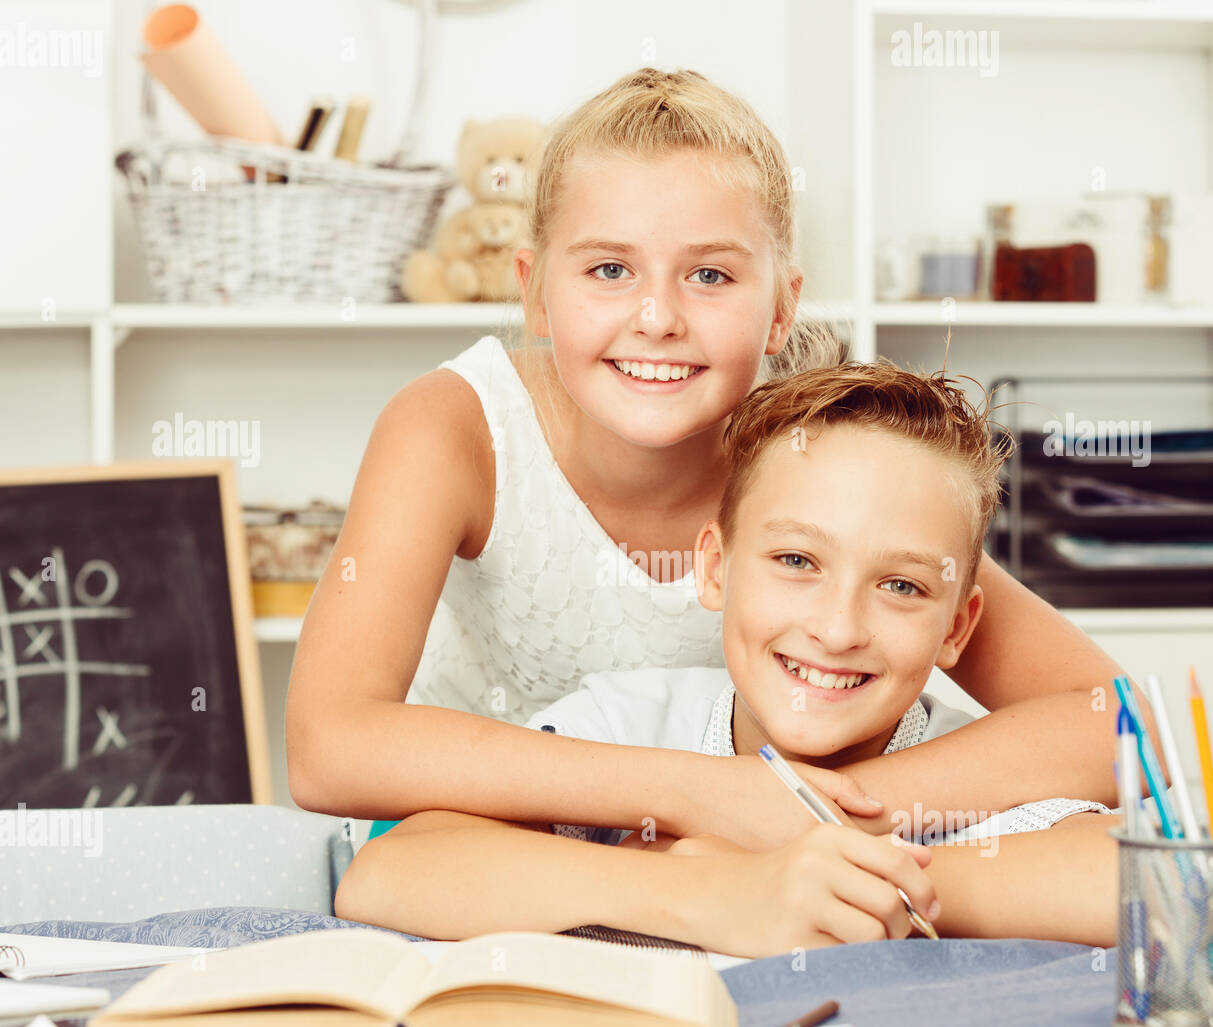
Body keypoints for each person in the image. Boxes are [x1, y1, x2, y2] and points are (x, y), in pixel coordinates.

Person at [288, 66, 1159, 863]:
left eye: (709, 275)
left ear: (782, 310)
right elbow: (328, 749)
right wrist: (701, 796)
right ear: (534, 291)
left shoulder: (809, 459)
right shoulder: (453, 427)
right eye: (608, 268)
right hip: (476, 867)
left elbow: (1127, 728)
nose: (659, 317)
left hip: (720, 882)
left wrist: (816, 809)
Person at [334, 360, 1121, 956]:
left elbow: (1129, 880)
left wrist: (832, 883)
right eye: (797, 562)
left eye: (902, 584)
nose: (839, 627)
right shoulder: (627, 722)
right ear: (714, 567)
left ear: (959, 627)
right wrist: (704, 886)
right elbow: (388, 872)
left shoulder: (974, 769)